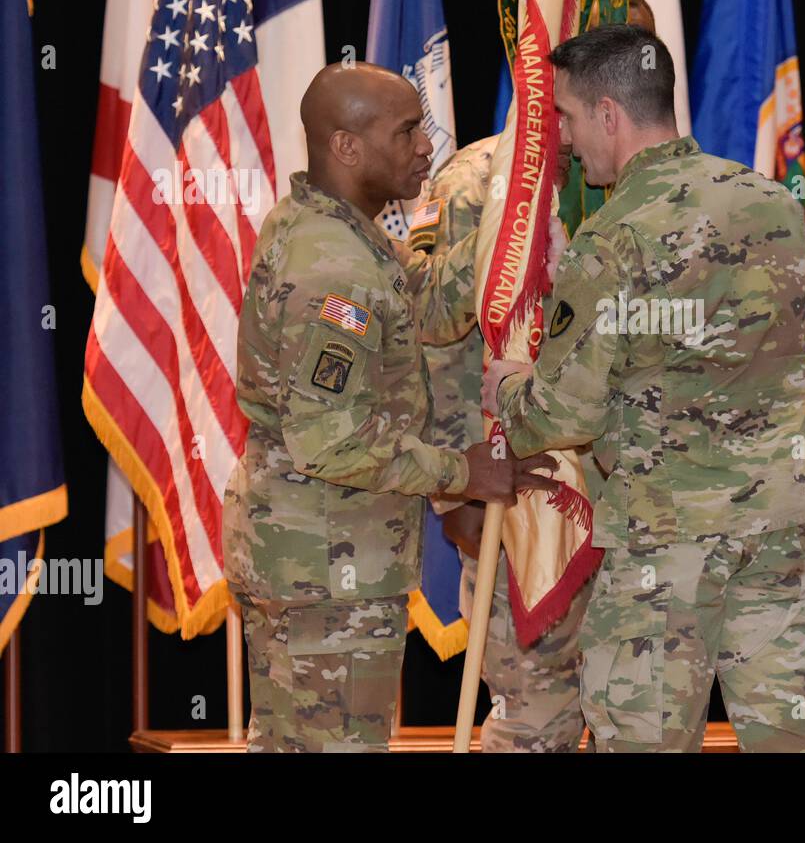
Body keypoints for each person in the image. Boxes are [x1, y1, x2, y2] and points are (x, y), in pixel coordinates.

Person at [482, 24, 805, 752]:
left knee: (641, 737)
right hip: (780, 522)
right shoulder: (773, 205)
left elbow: (561, 412)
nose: (569, 145)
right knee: (789, 735)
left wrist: (509, 387)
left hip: (665, 540)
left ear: (609, 113)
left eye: (571, 121)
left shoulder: (614, 239)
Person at [222, 61, 557, 752]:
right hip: (324, 568)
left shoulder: (339, 230)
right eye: (405, 132)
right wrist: (461, 471)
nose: (425, 147)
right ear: (347, 146)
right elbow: (332, 442)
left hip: (320, 560)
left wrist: (513, 229)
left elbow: (429, 301)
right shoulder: (333, 269)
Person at [414, 0, 660, 753]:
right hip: (522, 502)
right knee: (532, 726)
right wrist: (456, 483)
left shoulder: (673, 194)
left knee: (647, 723)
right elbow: (424, 332)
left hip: (651, 510)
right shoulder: (478, 183)